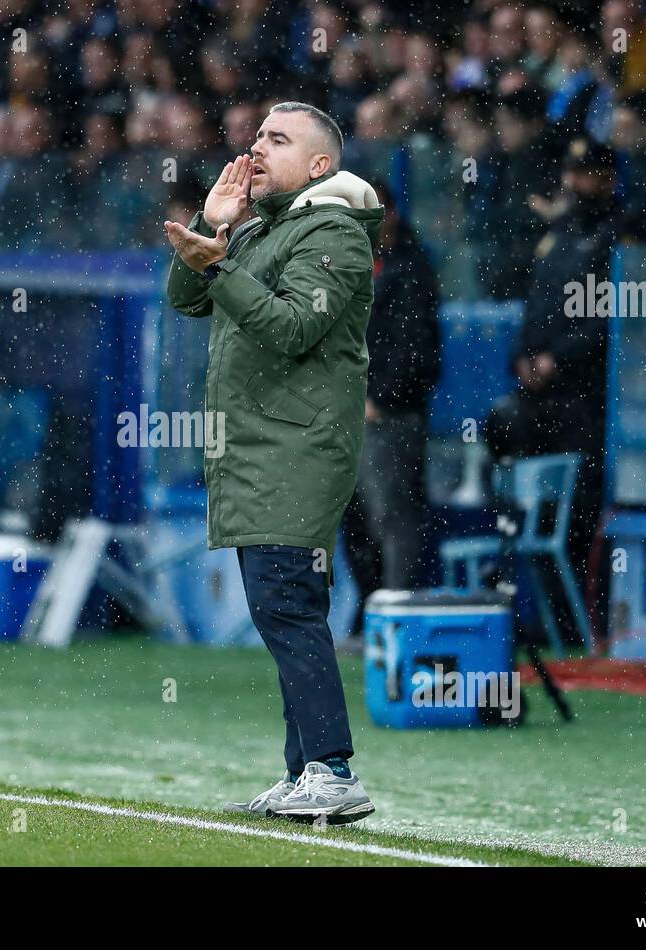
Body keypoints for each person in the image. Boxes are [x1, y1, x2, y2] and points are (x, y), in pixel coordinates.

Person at [164, 102, 382, 824]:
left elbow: (291, 327)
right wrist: (211, 224)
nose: (256, 149)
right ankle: (303, 774)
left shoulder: (336, 234)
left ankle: (333, 769)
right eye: (255, 136)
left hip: (299, 448)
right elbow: (186, 300)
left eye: (277, 140)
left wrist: (222, 260)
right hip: (259, 447)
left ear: (321, 166)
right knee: (280, 603)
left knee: (287, 604)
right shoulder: (264, 226)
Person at [484, 138, 621, 641]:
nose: (574, 183)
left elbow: (608, 319)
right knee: (528, 501)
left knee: (578, 514)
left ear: (607, 177)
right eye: (571, 171)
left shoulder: (618, 236)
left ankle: (583, 625)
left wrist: (557, 360)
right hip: (538, 395)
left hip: (583, 399)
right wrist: (523, 357)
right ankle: (538, 618)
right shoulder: (558, 235)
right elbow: (534, 304)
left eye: (585, 173)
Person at [343, 181, 441, 617]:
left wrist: (381, 398)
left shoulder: (412, 268)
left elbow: (417, 348)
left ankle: (397, 612)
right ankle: (369, 611)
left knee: (393, 517)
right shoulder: (355, 265)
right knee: (355, 522)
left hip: (391, 416)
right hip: (348, 413)